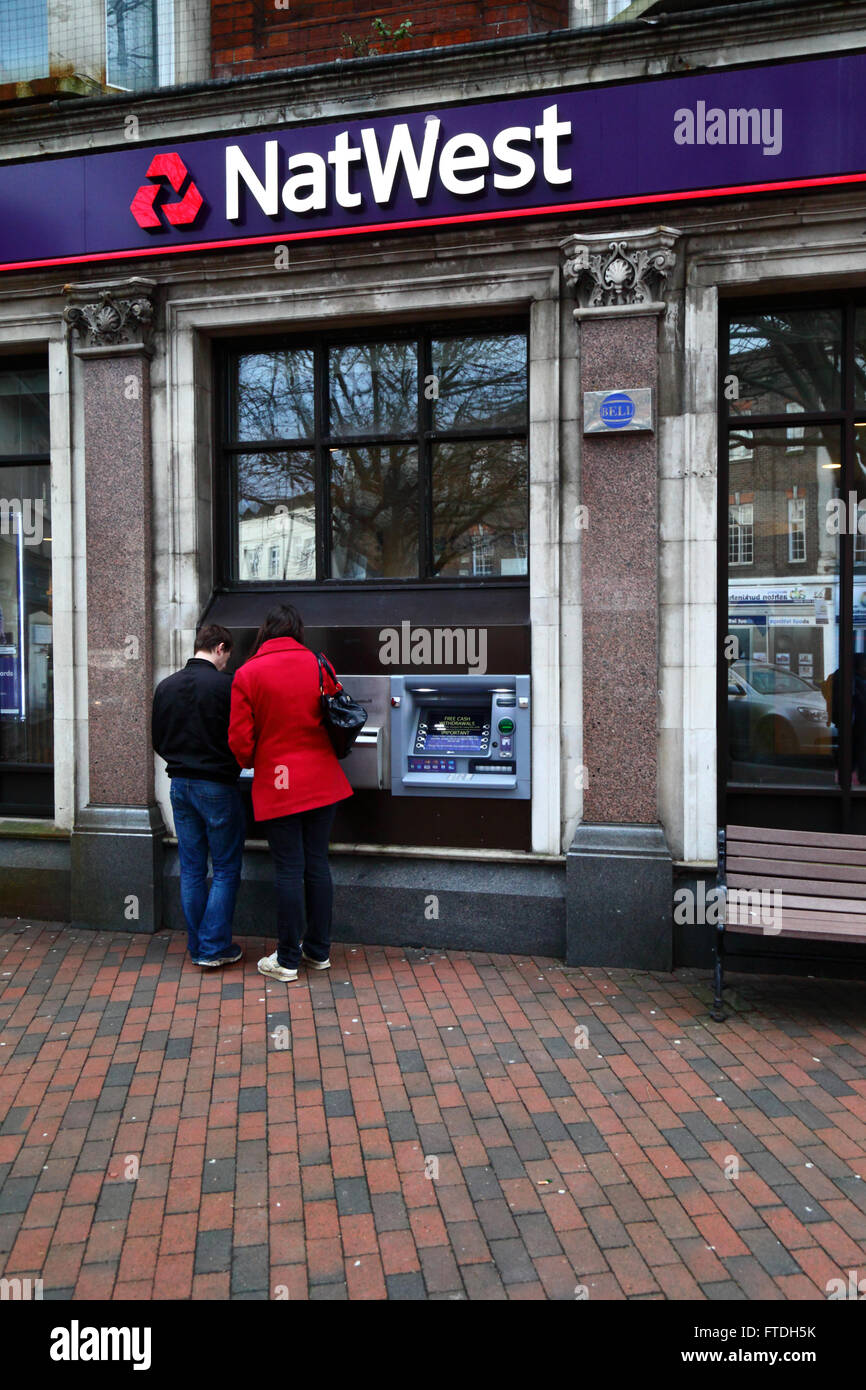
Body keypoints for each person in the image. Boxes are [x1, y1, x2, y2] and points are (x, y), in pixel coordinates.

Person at [228, 603, 353, 983]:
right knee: (317, 864)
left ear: (266, 631)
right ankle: (318, 951)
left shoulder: (247, 673)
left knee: (288, 869)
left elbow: (239, 740)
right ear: (297, 629)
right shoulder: (318, 663)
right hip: (322, 779)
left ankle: (286, 959)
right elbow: (338, 710)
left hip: (279, 781)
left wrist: (257, 758)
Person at [151, 623, 245, 968]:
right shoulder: (228, 686)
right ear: (220, 648)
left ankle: (198, 944)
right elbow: (241, 736)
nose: (226, 662)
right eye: (227, 655)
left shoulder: (166, 686)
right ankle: (213, 947)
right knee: (224, 867)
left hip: (179, 785)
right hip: (218, 785)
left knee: (191, 868)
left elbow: (157, 740)